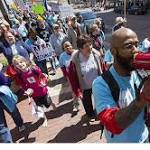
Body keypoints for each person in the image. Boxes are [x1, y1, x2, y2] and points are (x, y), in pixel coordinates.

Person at [92, 28, 149, 143]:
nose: (136, 51)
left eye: (137, 45)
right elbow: (112, 123)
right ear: (113, 51)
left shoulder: (139, 73)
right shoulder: (101, 84)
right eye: (128, 46)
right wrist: (143, 98)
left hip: (145, 137)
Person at [9, 55, 56, 127]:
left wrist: (44, 80)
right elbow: (23, 84)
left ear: (24, 61)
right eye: (17, 64)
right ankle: (45, 119)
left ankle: (52, 103)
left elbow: (42, 76)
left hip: (42, 90)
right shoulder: (20, 75)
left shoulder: (33, 69)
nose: (20, 64)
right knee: (39, 107)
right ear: (16, 67)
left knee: (47, 103)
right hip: (34, 94)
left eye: (21, 62)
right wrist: (27, 91)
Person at [68, 34, 106, 121]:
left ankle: (100, 113)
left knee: (100, 100)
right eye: (86, 46)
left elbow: (103, 69)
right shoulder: (75, 60)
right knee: (87, 102)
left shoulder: (96, 55)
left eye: (90, 44)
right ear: (80, 48)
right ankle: (90, 115)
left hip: (98, 84)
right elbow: (72, 78)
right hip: (84, 87)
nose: (90, 47)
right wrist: (77, 91)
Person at [59, 40, 79, 112]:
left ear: (72, 45)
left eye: (69, 45)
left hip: (80, 74)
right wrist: (65, 75)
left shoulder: (77, 52)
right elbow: (62, 66)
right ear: (63, 49)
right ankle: (76, 104)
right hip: (70, 76)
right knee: (74, 90)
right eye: (65, 47)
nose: (68, 47)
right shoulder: (62, 56)